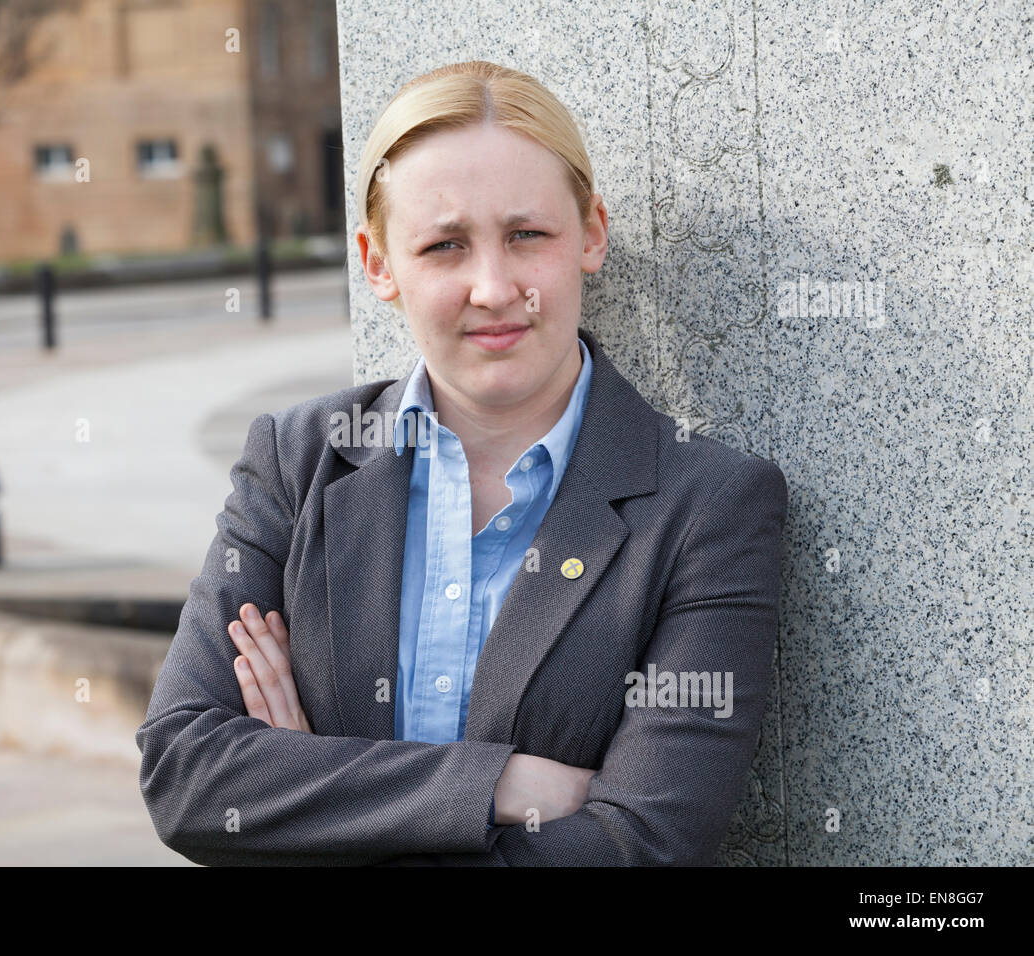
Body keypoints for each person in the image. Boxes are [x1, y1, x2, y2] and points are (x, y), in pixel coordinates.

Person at [136, 60, 788, 866]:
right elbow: (187, 776)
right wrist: (500, 786)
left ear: (591, 234)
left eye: (527, 235)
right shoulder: (296, 464)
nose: (492, 287)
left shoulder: (708, 506)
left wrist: (313, 799)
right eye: (444, 246)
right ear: (378, 264)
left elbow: (641, 844)